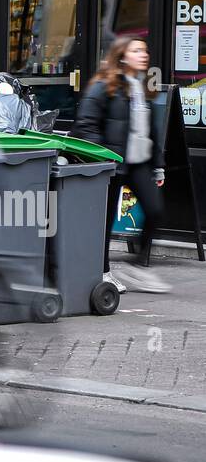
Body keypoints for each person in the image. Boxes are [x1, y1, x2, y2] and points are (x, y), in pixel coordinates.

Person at [73, 35, 170, 294]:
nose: (144, 54)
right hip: (112, 163)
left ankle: (137, 266)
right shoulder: (104, 86)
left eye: (145, 50)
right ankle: (103, 273)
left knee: (155, 209)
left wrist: (157, 165)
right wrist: (103, 157)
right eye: (137, 50)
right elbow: (86, 124)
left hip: (137, 163)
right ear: (122, 56)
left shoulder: (140, 87)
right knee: (103, 222)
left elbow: (149, 131)